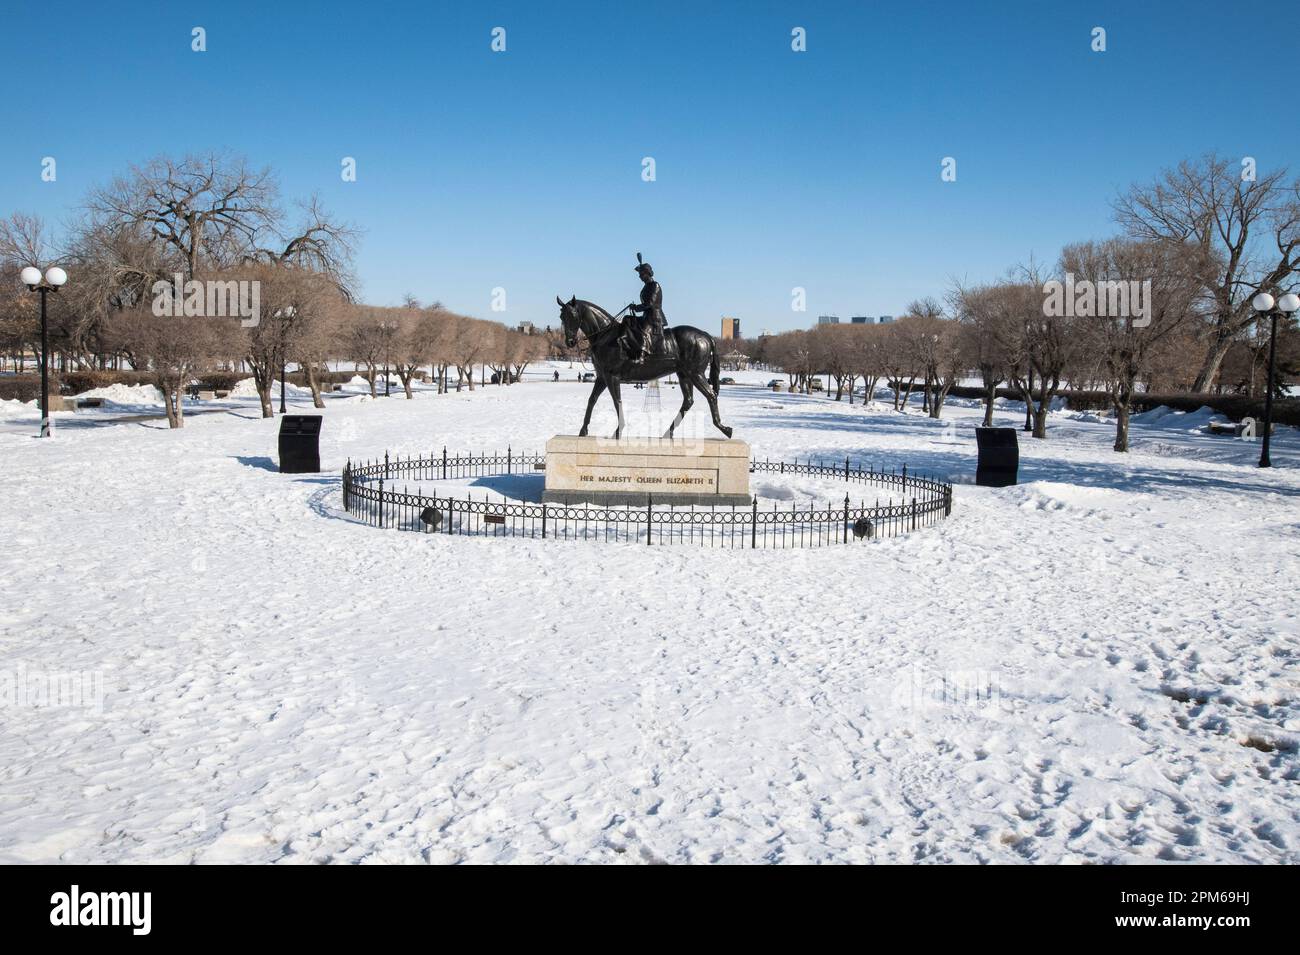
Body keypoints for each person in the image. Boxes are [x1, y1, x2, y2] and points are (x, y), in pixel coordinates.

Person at [627, 253, 665, 364]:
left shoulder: (655, 285)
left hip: (654, 317)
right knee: (628, 321)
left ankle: (642, 355)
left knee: (643, 330)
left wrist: (637, 307)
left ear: (647, 274)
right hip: (646, 315)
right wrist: (635, 307)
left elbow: (650, 303)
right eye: (639, 274)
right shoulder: (646, 286)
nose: (639, 277)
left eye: (641, 274)